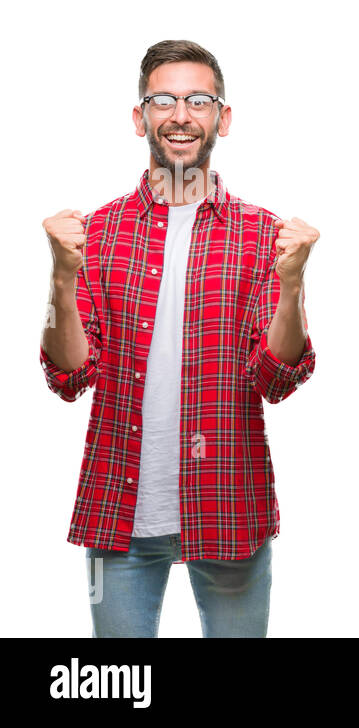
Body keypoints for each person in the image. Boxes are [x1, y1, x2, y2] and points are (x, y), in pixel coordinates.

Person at [40, 39, 320, 637]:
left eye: (198, 99)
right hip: (117, 513)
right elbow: (67, 377)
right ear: (140, 118)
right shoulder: (99, 232)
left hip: (229, 505)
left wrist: (292, 285)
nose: (180, 114)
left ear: (222, 116)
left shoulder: (262, 234)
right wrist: (61, 280)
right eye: (163, 100)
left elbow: (277, 378)